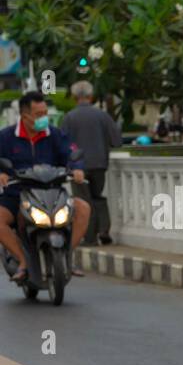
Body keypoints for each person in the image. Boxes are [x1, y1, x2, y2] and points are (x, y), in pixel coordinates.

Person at [0, 91, 92, 282]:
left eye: (45, 113)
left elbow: (71, 153)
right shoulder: (6, 137)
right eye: (39, 114)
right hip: (17, 193)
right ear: (25, 116)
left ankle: (67, 255)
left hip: (53, 193)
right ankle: (23, 260)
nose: (44, 118)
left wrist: (77, 169)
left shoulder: (55, 134)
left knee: (83, 208)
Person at [60, 80, 122, 245]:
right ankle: (103, 230)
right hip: (99, 164)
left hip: (77, 166)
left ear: (74, 97)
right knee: (98, 197)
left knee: (83, 201)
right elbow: (116, 140)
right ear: (91, 96)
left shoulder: (69, 117)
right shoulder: (102, 116)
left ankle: (89, 237)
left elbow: (62, 144)